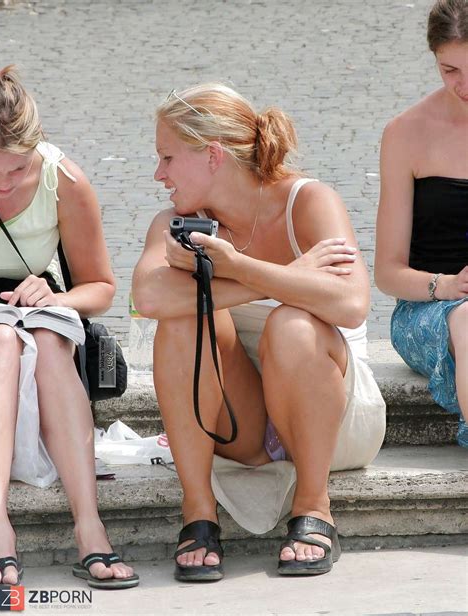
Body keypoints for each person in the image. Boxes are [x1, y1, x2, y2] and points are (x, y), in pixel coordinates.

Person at [132, 83, 386, 580]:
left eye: (167, 157)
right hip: (240, 425)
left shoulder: (308, 202)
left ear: (211, 155)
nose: (158, 174)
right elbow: (149, 300)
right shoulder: (178, 225)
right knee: (182, 323)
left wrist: (238, 268)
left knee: (292, 324)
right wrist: (276, 275)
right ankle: (199, 513)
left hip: (333, 420)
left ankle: (314, 508)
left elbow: (353, 304)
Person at [0, 65, 138, 590]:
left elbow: (100, 286)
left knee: (50, 338)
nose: (5, 184)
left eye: (18, 170)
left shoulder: (65, 180)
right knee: (0, 340)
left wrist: (56, 296)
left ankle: (90, 527)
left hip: (34, 301)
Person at [375, 0, 468, 449]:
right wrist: (447, 286)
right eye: (450, 69)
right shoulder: (406, 133)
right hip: (427, 308)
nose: (464, 85)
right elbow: (388, 273)